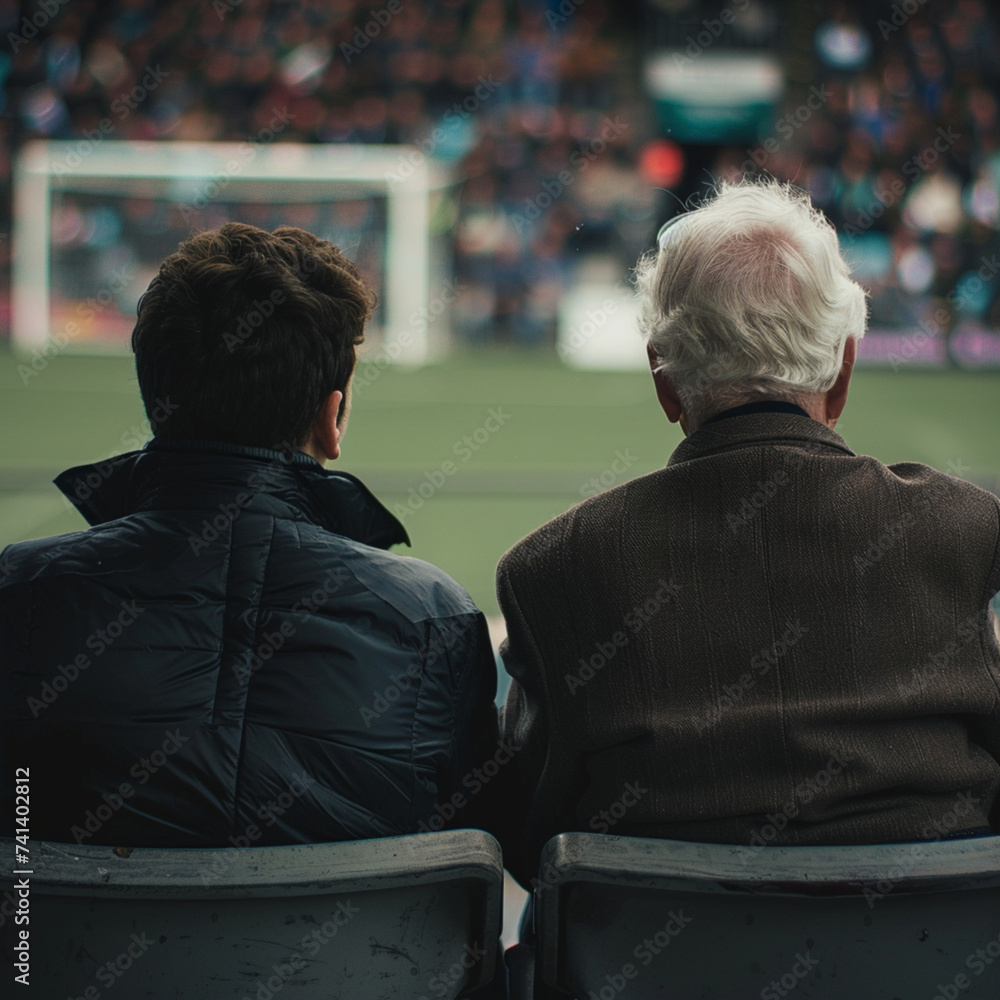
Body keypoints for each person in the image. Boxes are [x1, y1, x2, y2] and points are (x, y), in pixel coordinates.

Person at [493, 180, 1000, 887]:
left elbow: (529, 837)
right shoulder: (966, 531)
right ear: (843, 369)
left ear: (664, 381)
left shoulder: (554, 568)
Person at [0, 223, 499, 848]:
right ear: (331, 420)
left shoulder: (19, 592)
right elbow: (473, 846)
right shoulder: (432, 618)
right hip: (355, 949)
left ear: (157, 401)